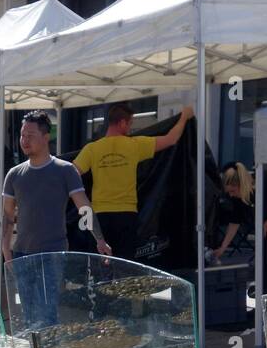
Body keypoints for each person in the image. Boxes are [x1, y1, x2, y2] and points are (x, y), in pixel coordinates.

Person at [2, 110, 110, 330]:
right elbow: (7, 216)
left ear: (46, 137)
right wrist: (6, 251)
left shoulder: (65, 170)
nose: (24, 140)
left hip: (52, 253)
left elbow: (84, 207)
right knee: (28, 316)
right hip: (22, 254)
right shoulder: (14, 174)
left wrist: (99, 239)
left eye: (30, 135)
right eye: (22, 135)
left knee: (48, 314)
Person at [74, 102, 194, 260]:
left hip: (99, 215)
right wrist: (184, 117)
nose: (130, 128)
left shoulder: (92, 149)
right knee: (125, 266)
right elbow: (171, 139)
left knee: (99, 266)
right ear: (122, 122)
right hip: (126, 214)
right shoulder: (134, 145)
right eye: (130, 123)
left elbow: (72, 173)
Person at [209, 163, 267, 288]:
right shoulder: (237, 198)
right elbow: (234, 222)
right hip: (265, 224)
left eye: (233, 191)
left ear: (241, 184)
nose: (231, 195)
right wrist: (223, 247)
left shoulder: (266, 178)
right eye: (229, 192)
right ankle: (265, 290)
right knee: (263, 255)